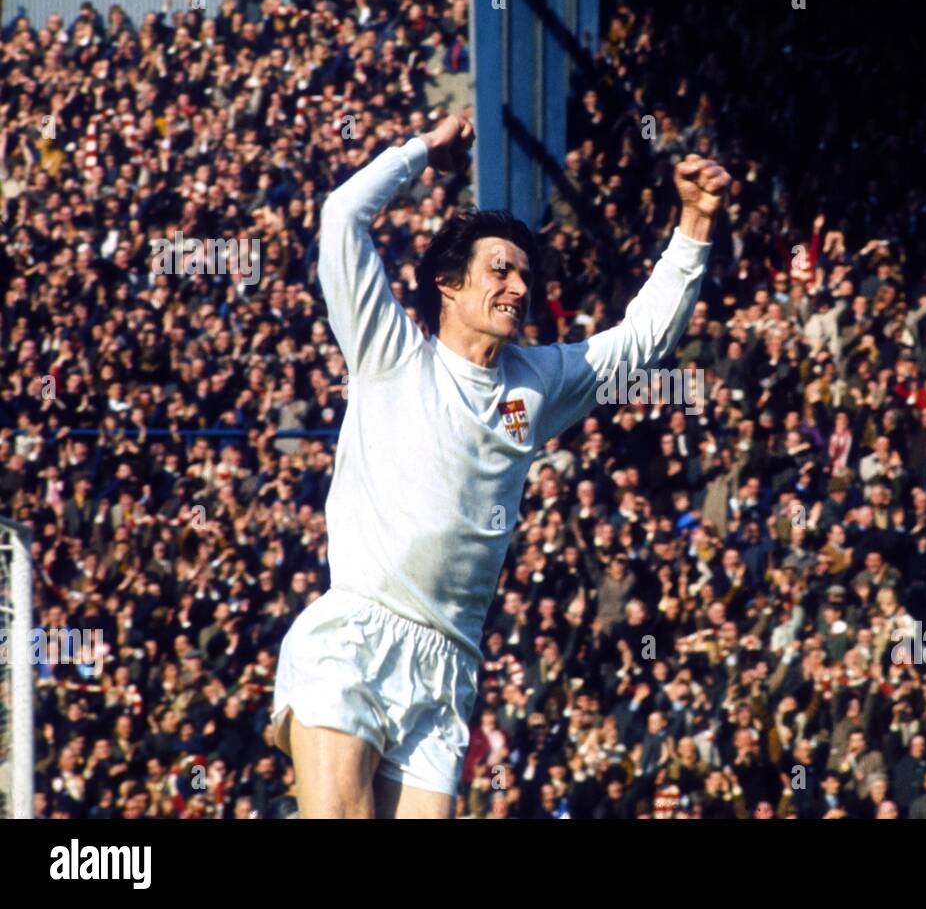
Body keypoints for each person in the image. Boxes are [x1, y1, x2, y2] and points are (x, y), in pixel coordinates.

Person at [271, 114, 731, 817]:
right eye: (500, 269)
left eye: (524, 274)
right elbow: (341, 218)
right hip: (357, 639)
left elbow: (641, 341)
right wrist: (422, 151)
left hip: (446, 668)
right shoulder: (390, 350)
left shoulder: (534, 382)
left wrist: (695, 223)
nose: (518, 285)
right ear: (449, 285)